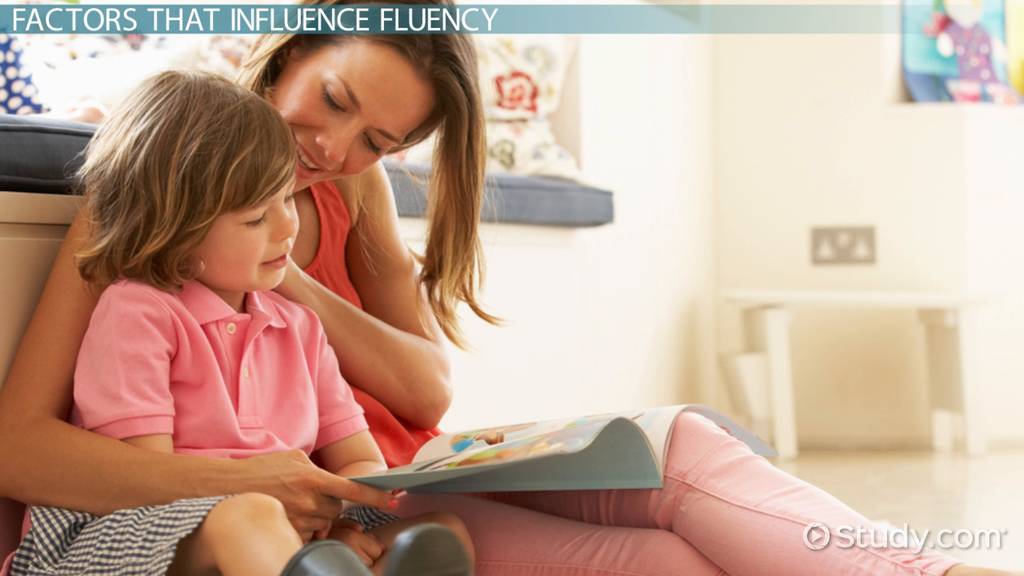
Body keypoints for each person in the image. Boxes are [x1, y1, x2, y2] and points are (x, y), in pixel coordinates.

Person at [0, 1, 1016, 574]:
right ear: (295, 47)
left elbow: (424, 388)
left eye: (378, 140)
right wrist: (266, 478)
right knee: (664, 561)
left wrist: (291, 286)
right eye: (334, 101)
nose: (335, 149)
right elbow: (23, 447)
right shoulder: (164, 186)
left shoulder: (343, 196)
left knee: (680, 446)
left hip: (390, 481)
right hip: (292, 511)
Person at [3, 70, 472, 576]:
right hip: (134, 528)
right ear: (177, 231)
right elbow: (153, 481)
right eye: (255, 218)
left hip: (273, 525)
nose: (287, 226)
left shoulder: (301, 328)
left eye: (287, 198)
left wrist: (339, 518)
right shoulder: (139, 313)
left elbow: (360, 460)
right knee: (250, 518)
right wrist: (265, 503)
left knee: (445, 529)